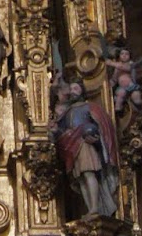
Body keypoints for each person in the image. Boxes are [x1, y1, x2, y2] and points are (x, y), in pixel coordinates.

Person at [50, 80, 119, 218]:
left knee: (89, 173)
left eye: (76, 88)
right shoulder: (67, 113)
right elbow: (61, 132)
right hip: (73, 148)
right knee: (81, 179)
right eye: (71, 89)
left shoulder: (89, 107)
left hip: (85, 144)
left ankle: (95, 208)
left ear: (82, 91)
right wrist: (55, 130)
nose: (73, 91)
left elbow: (103, 127)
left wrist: (96, 138)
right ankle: (91, 208)